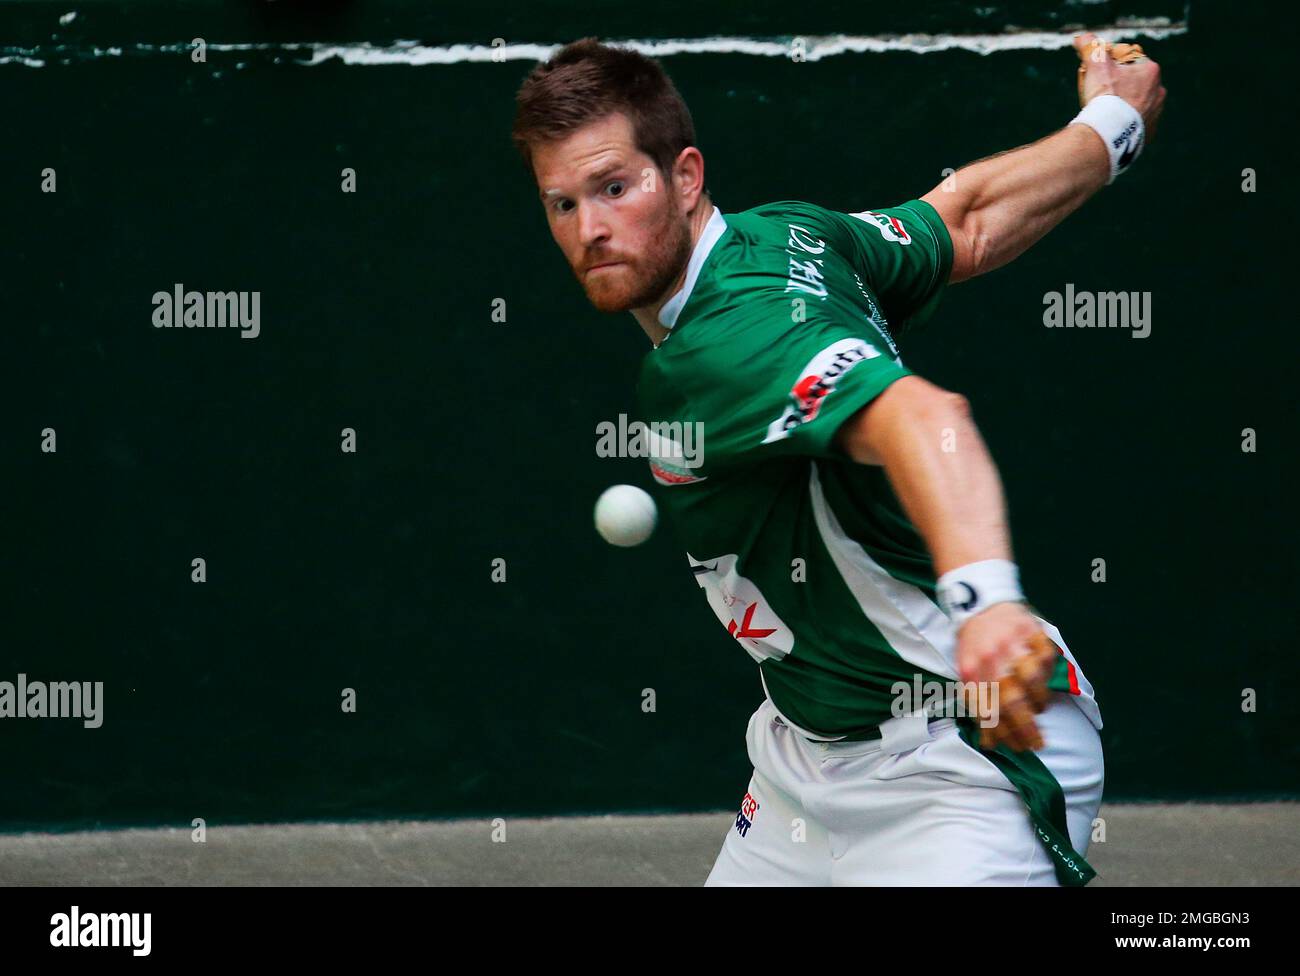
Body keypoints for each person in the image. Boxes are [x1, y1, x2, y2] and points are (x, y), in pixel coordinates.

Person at [511, 34, 1165, 885]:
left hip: (957, 761)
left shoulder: (724, 347)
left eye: (614, 188)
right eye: (563, 205)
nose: (591, 229)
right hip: (803, 769)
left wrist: (989, 607)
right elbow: (959, 221)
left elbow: (922, 418)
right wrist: (1115, 122)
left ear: (684, 176)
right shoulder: (788, 235)